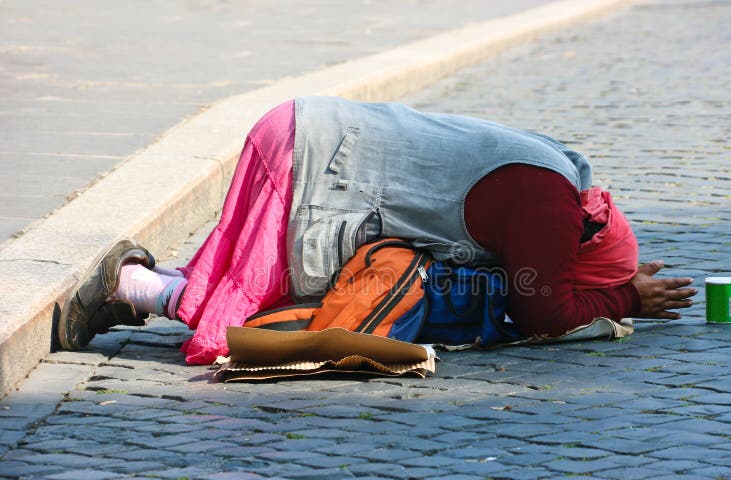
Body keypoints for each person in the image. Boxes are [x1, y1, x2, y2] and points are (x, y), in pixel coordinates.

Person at [58, 97, 696, 365]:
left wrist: (611, 282)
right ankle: (129, 285)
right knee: (265, 301)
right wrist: (623, 299)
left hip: (308, 127)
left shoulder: (564, 190)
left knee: (250, 273)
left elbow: (552, 279)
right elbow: (542, 309)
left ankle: (139, 280)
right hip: (318, 162)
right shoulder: (550, 217)